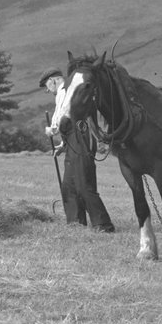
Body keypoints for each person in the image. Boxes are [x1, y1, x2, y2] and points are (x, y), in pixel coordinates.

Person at [40, 67, 115, 232]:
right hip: (73, 140)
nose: (47, 90)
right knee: (68, 185)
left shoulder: (67, 90)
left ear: (53, 80)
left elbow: (67, 116)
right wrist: (64, 145)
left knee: (83, 183)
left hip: (81, 138)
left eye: (47, 85)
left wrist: (52, 130)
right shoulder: (61, 92)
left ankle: (103, 224)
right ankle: (75, 224)